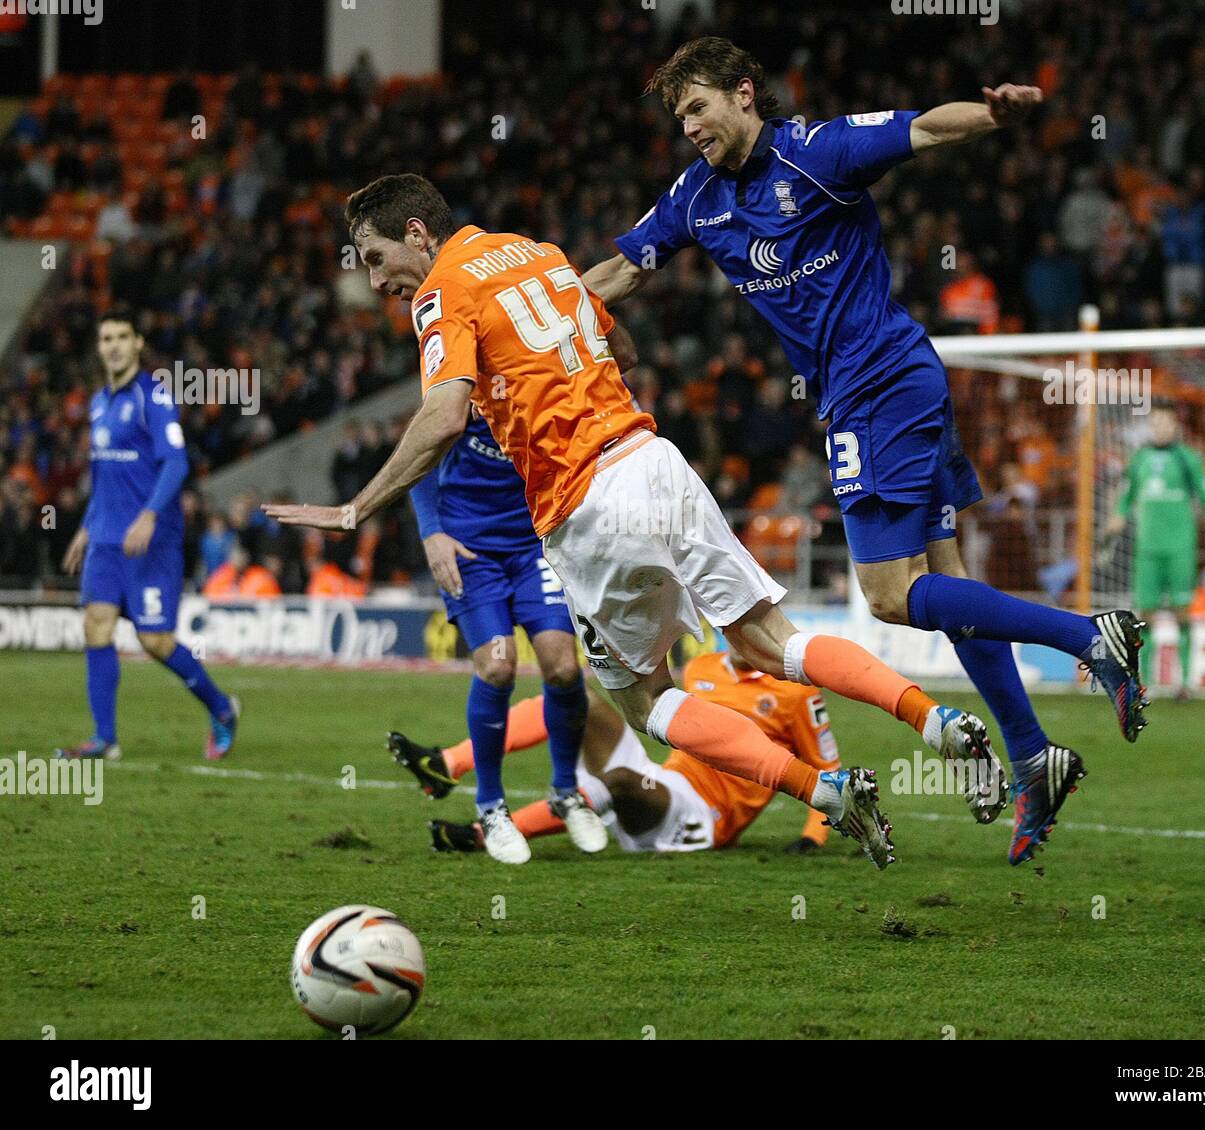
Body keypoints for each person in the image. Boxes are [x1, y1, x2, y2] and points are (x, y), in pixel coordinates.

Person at [265, 173, 1009, 872]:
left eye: (375, 257)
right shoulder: (540, 255)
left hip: (584, 504)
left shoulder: (440, 292)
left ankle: (825, 791)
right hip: (653, 458)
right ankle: (932, 718)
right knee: (769, 642)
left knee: (644, 700)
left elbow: (443, 416)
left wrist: (357, 507)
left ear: (417, 233)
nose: (375, 281)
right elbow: (619, 346)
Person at [580, 36, 1147, 864]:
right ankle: (1032, 755)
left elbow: (926, 129)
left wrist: (993, 116)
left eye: (698, 107)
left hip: (879, 385)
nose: (689, 127)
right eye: (680, 117)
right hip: (890, 384)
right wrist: (534, 309)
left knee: (888, 595)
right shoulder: (695, 196)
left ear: (744, 93)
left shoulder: (815, 152)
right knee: (947, 582)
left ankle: (1091, 637)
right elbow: (622, 272)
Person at [398, 412, 604, 865]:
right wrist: (431, 532)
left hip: (537, 544)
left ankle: (565, 792)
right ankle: (491, 806)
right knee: (497, 665)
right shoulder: (464, 385)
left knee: (563, 665)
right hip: (469, 548)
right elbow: (419, 453)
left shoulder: (550, 384)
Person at [393, 650, 845, 856]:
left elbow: (826, 767)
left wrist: (813, 838)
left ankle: (480, 835)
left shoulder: (797, 692)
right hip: (667, 782)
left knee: (622, 782)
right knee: (574, 697)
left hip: (704, 817)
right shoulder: (703, 667)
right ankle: (447, 764)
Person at [57, 307, 239, 761]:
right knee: (96, 625)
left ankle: (222, 708)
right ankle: (105, 739)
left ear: (138, 343)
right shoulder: (99, 403)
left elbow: (176, 463)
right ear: (99, 347)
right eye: (106, 338)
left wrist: (150, 515)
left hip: (150, 541)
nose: (114, 346)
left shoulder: (153, 397)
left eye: (122, 337)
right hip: (105, 539)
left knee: (154, 640)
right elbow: (104, 477)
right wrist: (86, 527)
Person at [1104, 402, 1205, 698]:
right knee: (1145, 614)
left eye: (1166, 423)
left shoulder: (1189, 459)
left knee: (1182, 612)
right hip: (1147, 549)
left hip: (1180, 548)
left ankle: (1185, 682)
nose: (1160, 428)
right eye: (1156, 423)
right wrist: (1109, 535)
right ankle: (1145, 682)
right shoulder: (1139, 459)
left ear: (1176, 426)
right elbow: (1124, 500)